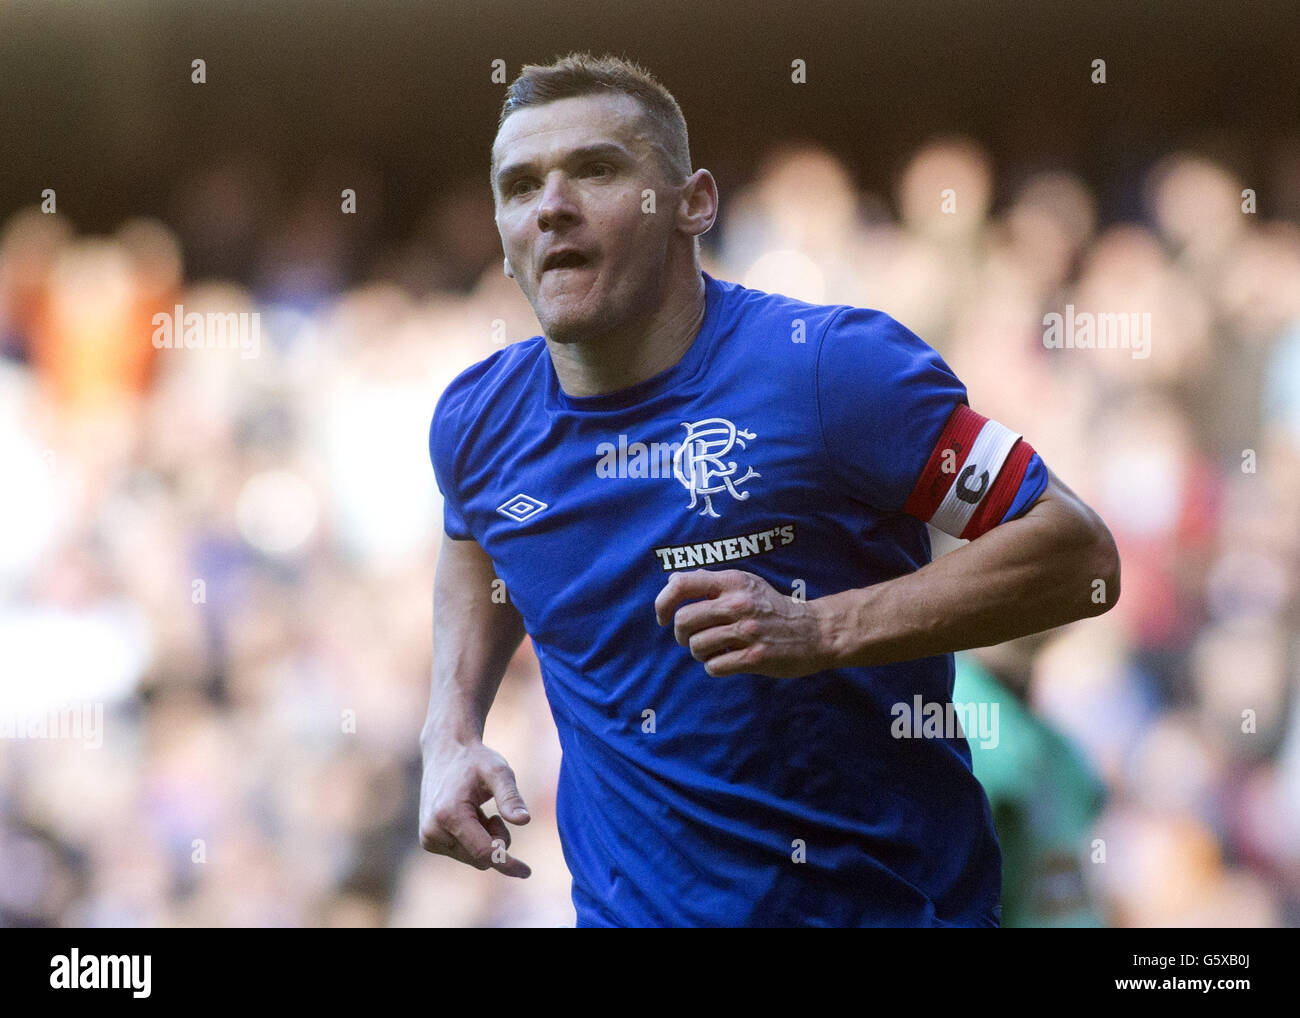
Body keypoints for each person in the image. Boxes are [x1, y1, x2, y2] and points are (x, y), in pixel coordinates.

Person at [418, 52, 1121, 927]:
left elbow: (1077, 552)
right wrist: (450, 726)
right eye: (521, 185)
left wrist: (822, 626)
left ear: (694, 204)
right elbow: (474, 542)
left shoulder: (831, 370)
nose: (552, 204)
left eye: (595, 169)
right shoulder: (477, 422)